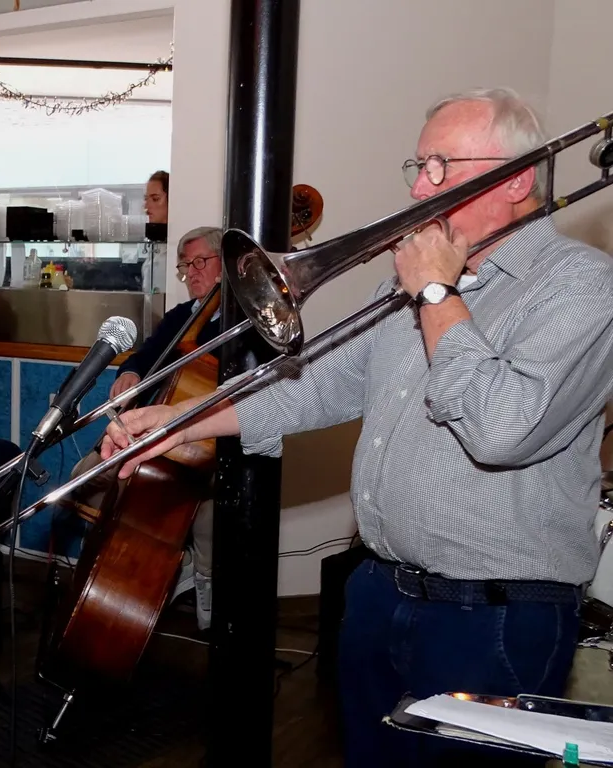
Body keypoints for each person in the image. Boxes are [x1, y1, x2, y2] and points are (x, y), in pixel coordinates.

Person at [100, 87, 613, 767]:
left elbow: (502, 429)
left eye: (442, 166)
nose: (420, 187)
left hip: (494, 616)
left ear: (518, 179)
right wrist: (182, 419)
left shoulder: (581, 285)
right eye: (419, 165)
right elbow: (313, 385)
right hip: (378, 593)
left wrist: (436, 293)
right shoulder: (411, 285)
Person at [67, 226, 225, 630]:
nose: (191, 272)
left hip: (208, 440)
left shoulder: (236, 322)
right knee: (84, 477)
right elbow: (147, 354)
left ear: (225, 265)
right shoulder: (180, 317)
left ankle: (203, 574)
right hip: (154, 433)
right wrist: (131, 372)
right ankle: (165, 562)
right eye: (185, 266)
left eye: (200, 262)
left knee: (206, 502)